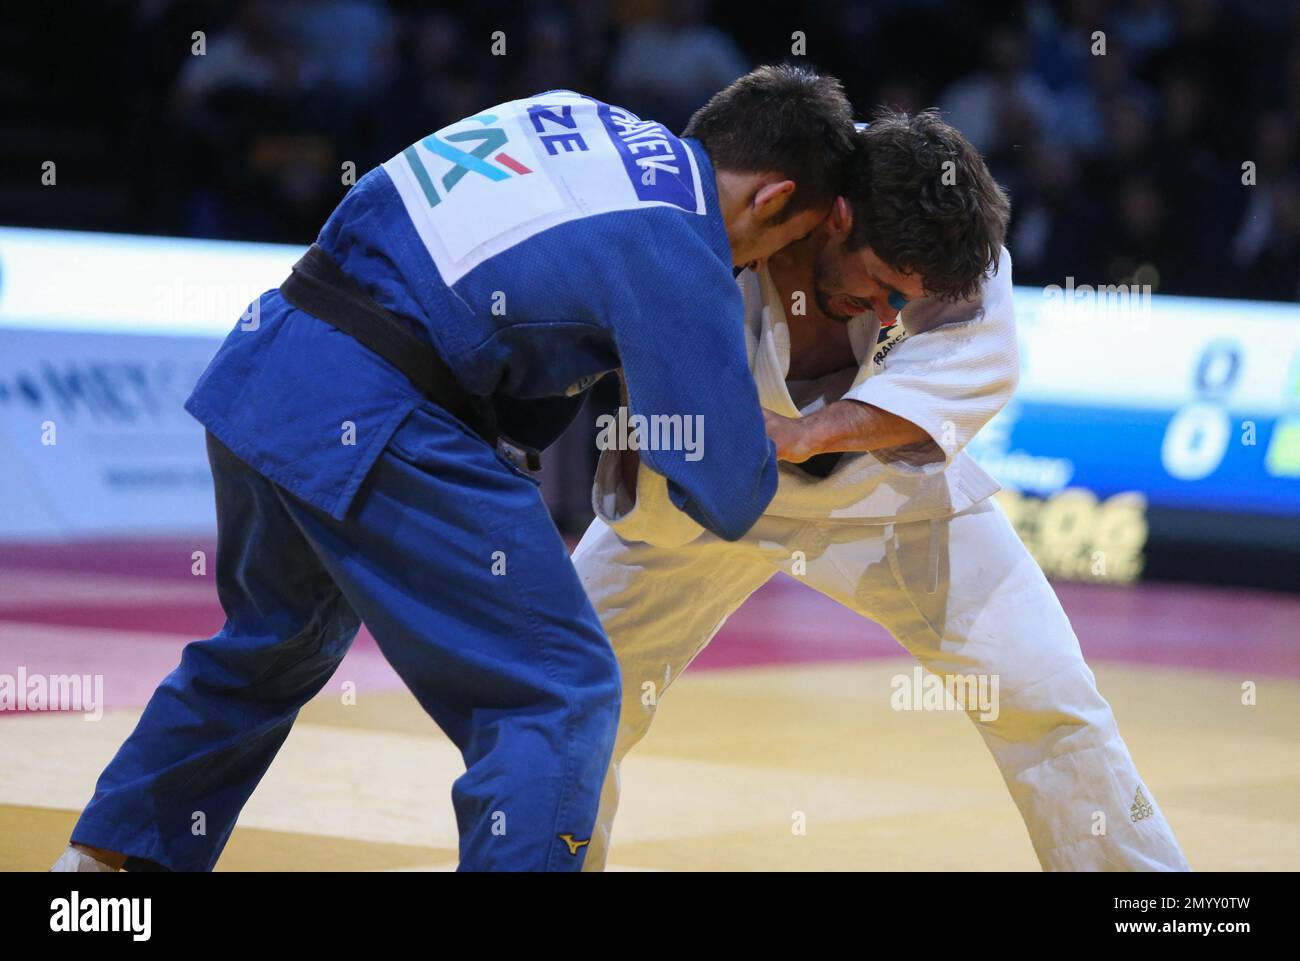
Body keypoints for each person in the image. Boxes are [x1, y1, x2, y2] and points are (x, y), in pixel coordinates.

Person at [51, 66, 857, 873]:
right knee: (558, 689)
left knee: (269, 648)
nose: (755, 270)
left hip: (271, 363)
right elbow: (723, 486)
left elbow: (521, 328)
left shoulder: (577, 118)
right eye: (778, 248)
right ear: (772, 197)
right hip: (376, 408)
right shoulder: (679, 237)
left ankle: (98, 881)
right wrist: (811, 432)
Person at [573, 110, 1190, 871]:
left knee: (1047, 696)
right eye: (885, 286)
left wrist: (809, 432)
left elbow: (977, 370)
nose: (893, 314)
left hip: (887, 497)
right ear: (834, 219)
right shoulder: (755, 197)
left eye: (911, 302)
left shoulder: (961, 239)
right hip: (712, 494)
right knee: (578, 689)